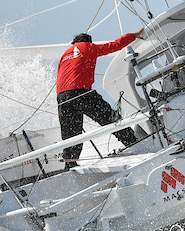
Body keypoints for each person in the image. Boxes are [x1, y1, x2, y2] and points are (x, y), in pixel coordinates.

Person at [56, 30, 143, 168]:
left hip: (62, 97)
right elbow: (115, 45)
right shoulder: (89, 47)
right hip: (81, 92)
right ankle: (134, 143)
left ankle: (69, 164)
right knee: (110, 118)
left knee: (71, 134)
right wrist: (134, 36)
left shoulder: (65, 54)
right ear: (88, 41)